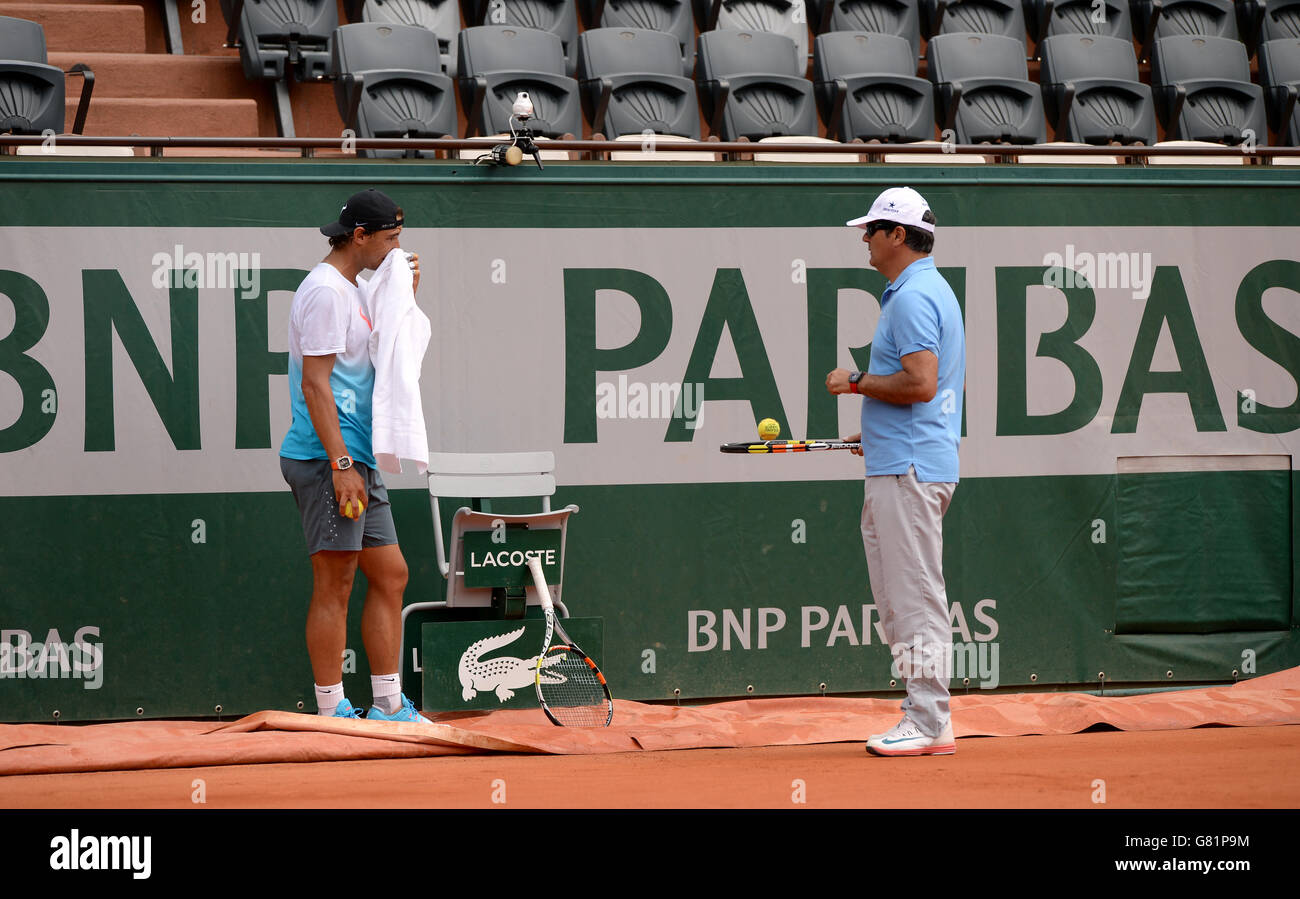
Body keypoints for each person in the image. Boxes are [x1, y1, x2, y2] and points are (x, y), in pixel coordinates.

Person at [825, 186, 965, 757]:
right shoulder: (920, 289)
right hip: (900, 459)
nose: (865, 237)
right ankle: (926, 715)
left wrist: (854, 383)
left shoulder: (911, 297)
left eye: (873, 229)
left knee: (915, 599)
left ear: (898, 236)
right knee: (898, 599)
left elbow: (921, 384)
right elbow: (918, 391)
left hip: (909, 470)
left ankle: (929, 721)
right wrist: (877, 427)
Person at [279, 188, 428, 723]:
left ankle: (388, 705)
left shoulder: (357, 289)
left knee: (391, 575)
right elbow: (316, 386)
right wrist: (341, 466)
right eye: (390, 239)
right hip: (328, 461)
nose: (396, 248)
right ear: (359, 237)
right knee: (335, 584)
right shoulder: (325, 292)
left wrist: (405, 291)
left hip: (355, 460)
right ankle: (331, 712)